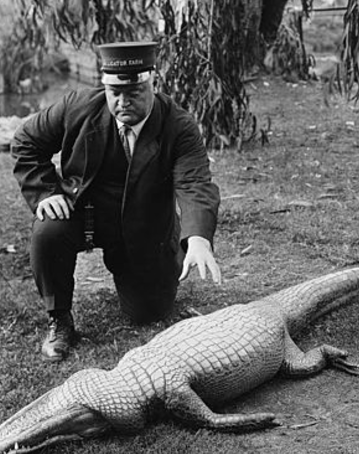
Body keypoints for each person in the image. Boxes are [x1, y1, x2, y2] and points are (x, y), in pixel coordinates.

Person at [12, 41, 222, 361]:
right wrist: (45, 192)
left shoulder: (178, 125)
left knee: (150, 313)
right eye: (115, 93)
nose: (123, 102)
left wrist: (197, 238)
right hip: (82, 214)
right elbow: (26, 140)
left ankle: (142, 277)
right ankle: (60, 320)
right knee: (48, 230)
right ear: (105, 87)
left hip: (143, 225)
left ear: (152, 85)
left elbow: (194, 182)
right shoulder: (78, 106)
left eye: (134, 92)